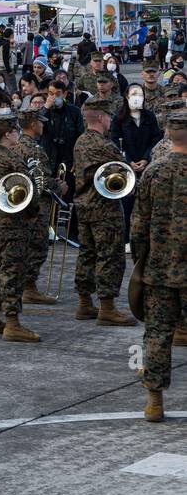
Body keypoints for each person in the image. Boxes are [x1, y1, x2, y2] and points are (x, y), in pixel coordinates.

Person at [131, 111, 187, 422]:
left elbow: (138, 226)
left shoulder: (153, 172)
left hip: (159, 270)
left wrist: (142, 260)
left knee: (157, 335)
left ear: (167, 134)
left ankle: (154, 402)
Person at [71, 97, 137, 325]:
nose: (110, 120)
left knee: (87, 253)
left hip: (84, 206)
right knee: (110, 256)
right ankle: (107, 308)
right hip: (105, 209)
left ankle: (84, 303)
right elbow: (123, 171)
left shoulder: (80, 141)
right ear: (100, 117)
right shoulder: (104, 145)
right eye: (108, 116)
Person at [0, 112, 42, 342]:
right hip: (10, 223)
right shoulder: (12, 159)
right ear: (8, 133)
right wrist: (34, 211)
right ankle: (13, 322)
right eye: (15, 130)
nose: (18, 134)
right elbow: (28, 191)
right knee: (12, 270)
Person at [17, 107, 61, 305]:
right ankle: (29, 286)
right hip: (37, 204)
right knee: (38, 245)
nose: (43, 125)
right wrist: (59, 185)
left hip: (20, 203)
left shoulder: (14, 145)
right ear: (33, 124)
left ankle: (25, 284)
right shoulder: (34, 149)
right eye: (41, 122)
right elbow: (42, 179)